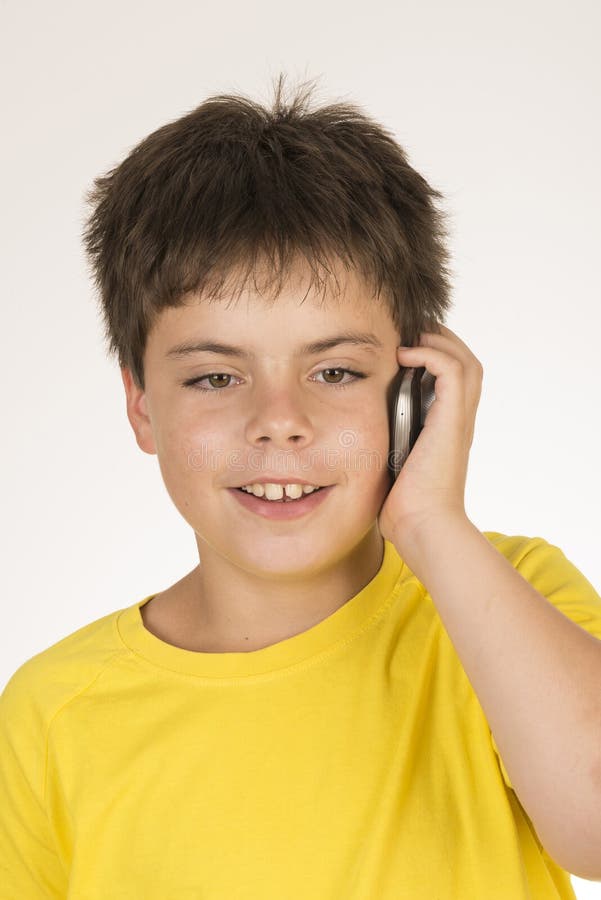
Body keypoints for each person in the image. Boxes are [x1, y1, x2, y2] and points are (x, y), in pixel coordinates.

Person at [1, 73, 600, 899]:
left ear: (419, 391)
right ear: (142, 406)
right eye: (215, 378)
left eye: (335, 370)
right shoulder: (55, 709)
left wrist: (431, 522)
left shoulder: (505, 600)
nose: (278, 422)